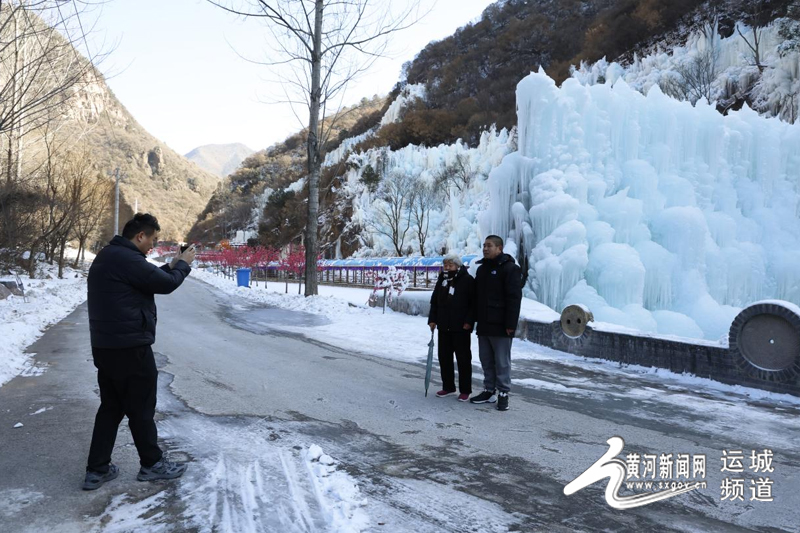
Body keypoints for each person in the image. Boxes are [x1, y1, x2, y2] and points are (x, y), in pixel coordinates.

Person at [82, 213, 196, 490]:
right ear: (140, 236)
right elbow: (166, 285)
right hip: (130, 348)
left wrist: (171, 264)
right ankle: (152, 464)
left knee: (111, 407)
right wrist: (184, 265)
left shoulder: (111, 255)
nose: (153, 246)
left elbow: (151, 278)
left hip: (106, 347)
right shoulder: (126, 259)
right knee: (141, 408)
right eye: (152, 240)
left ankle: (97, 470)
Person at [470, 235, 522, 411]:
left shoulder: (510, 269)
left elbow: (514, 299)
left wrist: (510, 325)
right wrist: (472, 320)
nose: (485, 248)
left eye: (489, 246)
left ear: (499, 248)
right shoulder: (482, 269)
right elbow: (475, 299)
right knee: (486, 359)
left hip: (501, 325)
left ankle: (503, 393)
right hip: (484, 324)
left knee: (501, 361)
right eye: (484, 245)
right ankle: (489, 389)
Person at [428, 254, 475, 401]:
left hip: (461, 327)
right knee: (444, 357)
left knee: (463, 359)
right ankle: (448, 387)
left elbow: (474, 304)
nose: (447, 268)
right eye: (445, 265)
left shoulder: (467, 280)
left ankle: (465, 389)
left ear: (457, 266)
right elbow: (435, 301)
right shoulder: (442, 279)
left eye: (450, 265)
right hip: (444, 326)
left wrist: (469, 321)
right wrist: (432, 319)